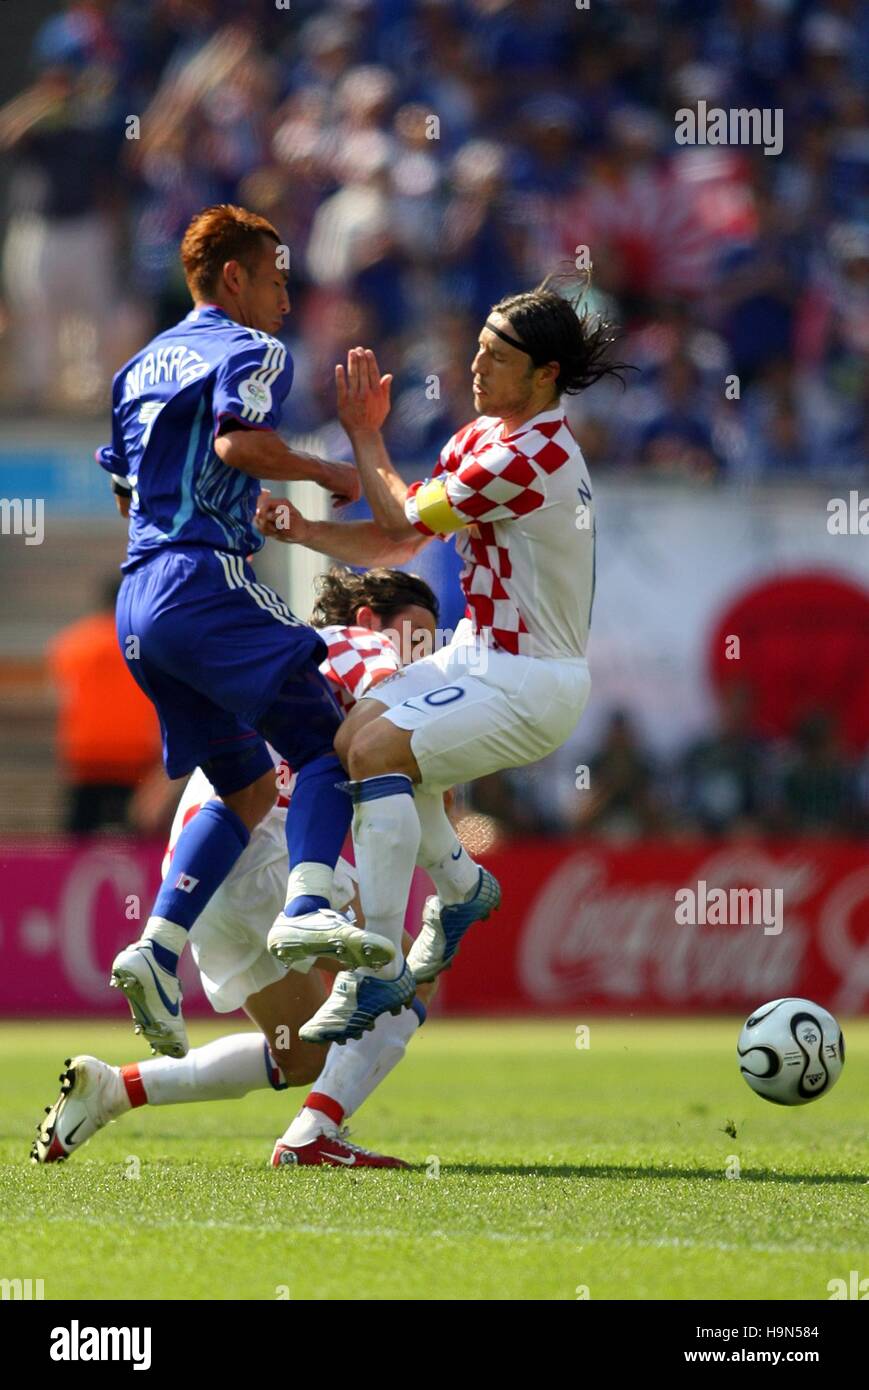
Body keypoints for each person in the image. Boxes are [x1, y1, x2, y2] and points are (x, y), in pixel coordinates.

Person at [260, 276, 628, 1042]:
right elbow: (400, 539)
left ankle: (377, 970)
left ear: (545, 375)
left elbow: (394, 510)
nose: (475, 366)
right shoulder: (482, 440)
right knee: (354, 733)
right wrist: (305, 534)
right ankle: (460, 887)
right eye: (479, 350)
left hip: (534, 680)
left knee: (383, 751)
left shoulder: (535, 456)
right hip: (476, 656)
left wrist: (365, 434)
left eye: (497, 357)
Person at [99, 202, 397, 1064]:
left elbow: (131, 494)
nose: (284, 294)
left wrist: (223, 513)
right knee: (332, 742)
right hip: (202, 583)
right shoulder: (250, 349)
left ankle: (155, 949)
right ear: (233, 277)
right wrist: (328, 468)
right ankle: (308, 908)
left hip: (138, 601)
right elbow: (236, 444)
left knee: (243, 790)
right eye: (274, 277)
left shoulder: (137, 367)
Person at [33, 568, 441, 1169]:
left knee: (299, 1055)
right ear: (368, 619)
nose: (426, 652)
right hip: (264, 846)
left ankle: (115, 1089)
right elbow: (397, 723)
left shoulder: (289, 656)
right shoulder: (362, 648)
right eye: (419, 634)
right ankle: (315, 1136)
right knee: (410, 972)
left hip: (209, 850)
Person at [48, 575, 162, 833]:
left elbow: (63, 694)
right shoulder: (146, 641)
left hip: (85, 751)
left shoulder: (72, 641)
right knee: (139, 833)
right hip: (135, 752)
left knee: (79, 830)